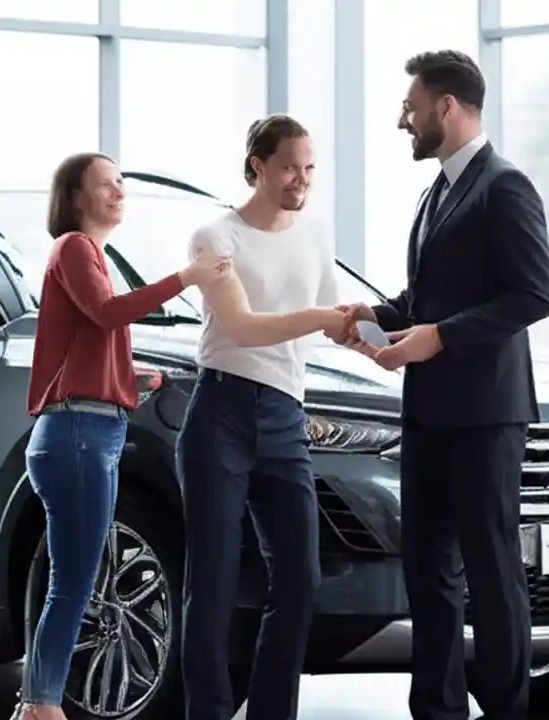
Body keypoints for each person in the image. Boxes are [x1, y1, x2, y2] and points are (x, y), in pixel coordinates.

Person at [331, 50, 549, 720]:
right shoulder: (438, 190)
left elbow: (536, 294)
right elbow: (433, 297)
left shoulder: (504, 186)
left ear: (447, 107)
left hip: (486, 417)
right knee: (427, 574)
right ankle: (436, 711)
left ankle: (506, 710)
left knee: (491, 574)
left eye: (411, 106)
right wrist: (377, 318)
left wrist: (440, 337)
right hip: (427, 414)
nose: (404, 119)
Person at [13, 152, 231, 720]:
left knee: (76, 581)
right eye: (105, 185)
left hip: (86, 430)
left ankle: (36, 703)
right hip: (79, 434)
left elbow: (86, 339)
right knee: (73, 584)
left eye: (121, 184)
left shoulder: (92, 257)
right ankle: (40, 705)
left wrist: (129, 376)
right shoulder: (75, 248)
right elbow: (109, 313)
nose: (118, 193)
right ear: (77, 197)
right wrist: (187, 277)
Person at [177, 114, 348, 720]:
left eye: (308, 169)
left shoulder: (316, 233)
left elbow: (335, 320)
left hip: (285, 415)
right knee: (215, 583)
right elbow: (245, 328)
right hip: (221, 410)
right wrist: (323, 319)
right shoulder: (215, 237)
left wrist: (393, 350)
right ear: (256, 165)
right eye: (288, 168)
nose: (300, 180)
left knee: (300, 580)